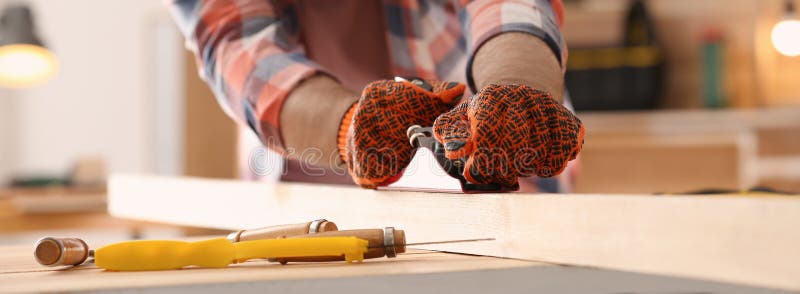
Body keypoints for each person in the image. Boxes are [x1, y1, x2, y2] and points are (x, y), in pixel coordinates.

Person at [169, 0, 584, 192]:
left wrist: (517, 90)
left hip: (506, 166)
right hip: (309, 178)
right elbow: (241, 48)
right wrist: (350, 128)